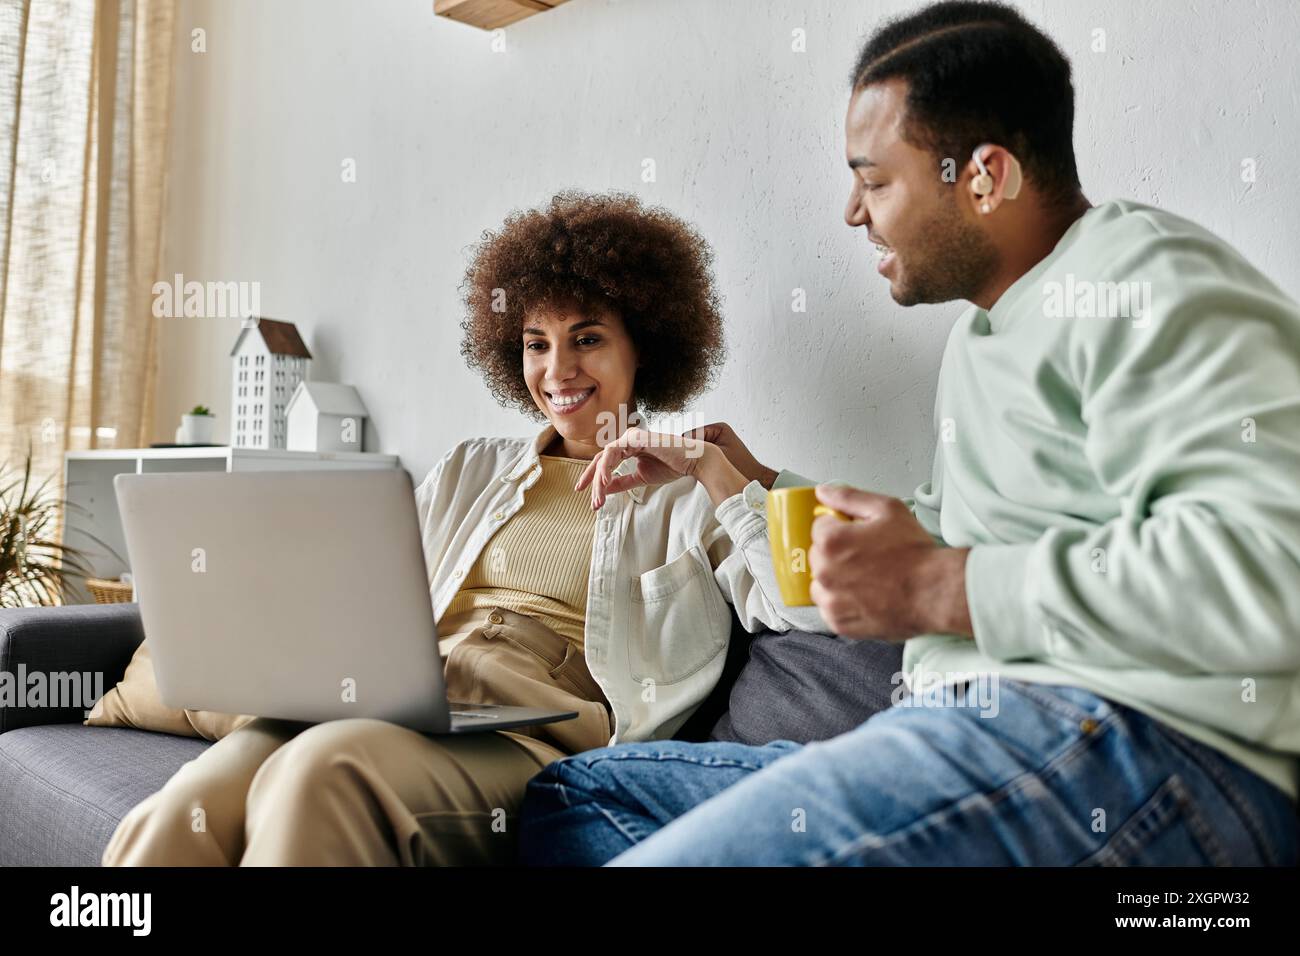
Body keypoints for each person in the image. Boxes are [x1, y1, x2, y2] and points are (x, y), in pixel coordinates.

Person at [517, 0, 1300, 866]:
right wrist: (737, 479)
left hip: (1153, 743)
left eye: (875, 179)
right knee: (576, 796)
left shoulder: (1140, 280)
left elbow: (1273, 572)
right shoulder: (985, 335)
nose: (853, 212)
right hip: (969, 720)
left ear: (986, 177)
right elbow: (931, 548)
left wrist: (942, 587)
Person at [101, 190, 828, 866]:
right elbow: (378, 603)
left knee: (320, 772)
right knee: (183, 808)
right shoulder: (470, 467)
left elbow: (809, 604)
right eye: (536, 343)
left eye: (587, 339)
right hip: (415, 704)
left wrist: (723, 474)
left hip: (529, 742)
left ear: (647, 347)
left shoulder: (689, 495)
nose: (557, 369)